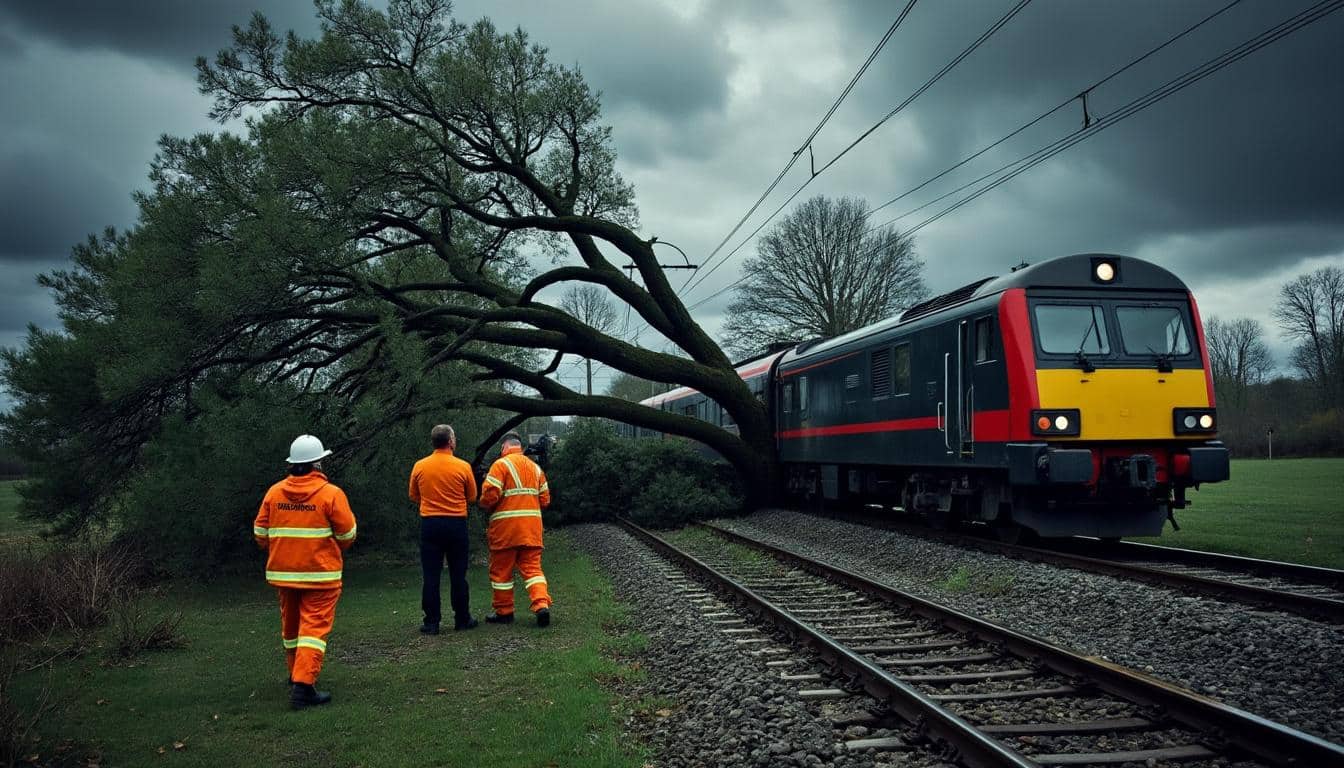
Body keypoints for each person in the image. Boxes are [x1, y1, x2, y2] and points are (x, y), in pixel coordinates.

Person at [254, 434, 357, 710]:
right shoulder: (331, 494)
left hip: (284, 574)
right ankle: (303, 686)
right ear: (317, 464)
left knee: (291, 627)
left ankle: (295, 672)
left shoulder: (274, 493)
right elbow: (347, 535)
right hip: (320, 575)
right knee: (313, 629)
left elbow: (260, 534)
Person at [408, 424, 479, 634]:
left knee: (431, 574)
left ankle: (431, 622)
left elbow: (413, 495)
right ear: (450, 441)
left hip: (430, 524)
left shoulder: (420, 466)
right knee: (458, 574)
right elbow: (472, 497)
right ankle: (462, 619)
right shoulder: (463, 466)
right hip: (456, 524)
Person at [477, 432, 552, 627]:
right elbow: (545, 500)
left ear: (504, 448)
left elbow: (490, 496)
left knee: (502, 573)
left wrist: (482, 503)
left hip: (506, 532)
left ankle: (504, 612)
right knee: (533, 570)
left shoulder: (500, 465)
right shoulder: (536, 469)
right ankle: (541, 604)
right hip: (531, 531)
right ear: (519, 447)